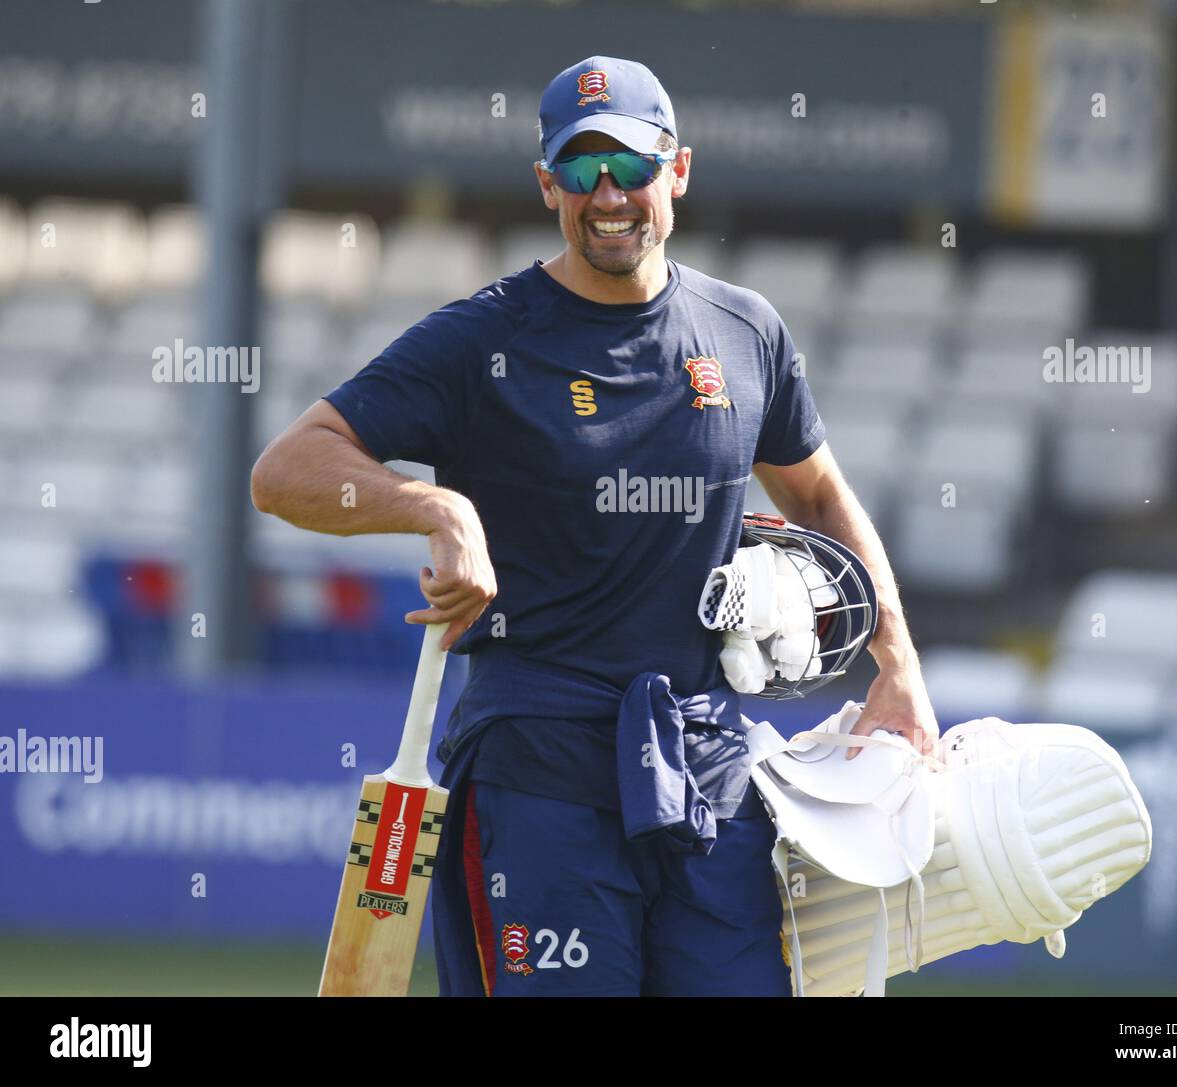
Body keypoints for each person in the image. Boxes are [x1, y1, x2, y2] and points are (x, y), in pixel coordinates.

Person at [250, 55, 937, 997]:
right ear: (547, 186)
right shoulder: (483, 339)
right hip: (535, 769)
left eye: (630, 164)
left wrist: (897, 666)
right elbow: (285, 470)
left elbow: (819, 497)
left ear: (678, 170)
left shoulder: (746, 333)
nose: (607, 192)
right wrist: (435, 506)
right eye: (579, 170)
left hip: (709, 769)